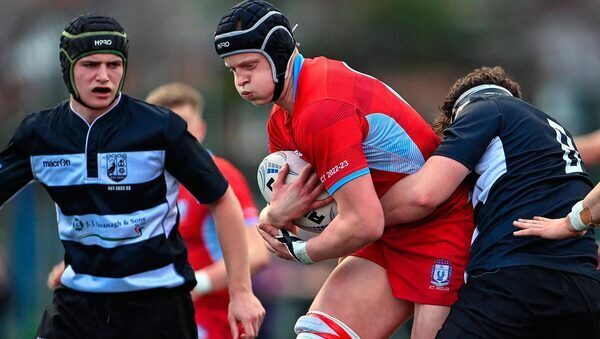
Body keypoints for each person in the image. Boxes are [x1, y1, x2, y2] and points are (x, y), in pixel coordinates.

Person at [214, 1, 475, 338]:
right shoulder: (282, 119)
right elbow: (321, 217)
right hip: (384, 231)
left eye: (249, 65)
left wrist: (303, 253)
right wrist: (276, 215)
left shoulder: (321, 110)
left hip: (438, 227)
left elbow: (361, 222)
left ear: (280, 54)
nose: (241, 80)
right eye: (232, 69)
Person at [0, 13, 264, 339]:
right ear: (68, 67)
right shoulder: (40, 135)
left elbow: (223, 200)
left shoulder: (159, 128)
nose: (103, 76)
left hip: (158, 305)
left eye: (114, 65)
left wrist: (241, 292)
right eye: (90, 65)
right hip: (78, 305)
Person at [376, 66, 600, 337]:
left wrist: (362, 216)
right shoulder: (551, 127)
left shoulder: (483, 108)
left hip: (513, 278)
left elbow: (423, 195)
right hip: (584, 289)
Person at [45, 82, 272, 338]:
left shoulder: (221, 175)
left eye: (185, 128)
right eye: (167, 129)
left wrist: (198, 284)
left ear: (201, 129)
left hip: (210, 318)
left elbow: (258, 252)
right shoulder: (138, 182)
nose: (176, 138)